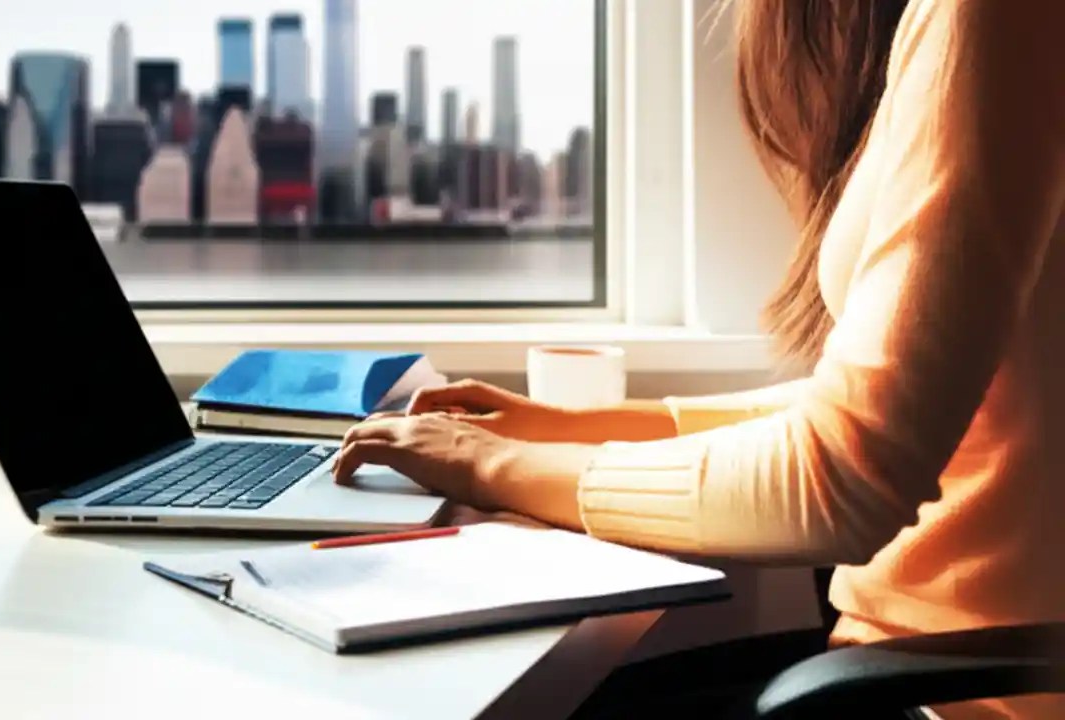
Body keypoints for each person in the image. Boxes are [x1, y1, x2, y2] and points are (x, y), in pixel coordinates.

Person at [334, 0, 1065, 718]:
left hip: (948, 698)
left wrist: (492, 467)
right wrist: (562, 427)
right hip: (909, 673)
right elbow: (888, 413)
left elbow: (844, 478)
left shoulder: (994, 15)